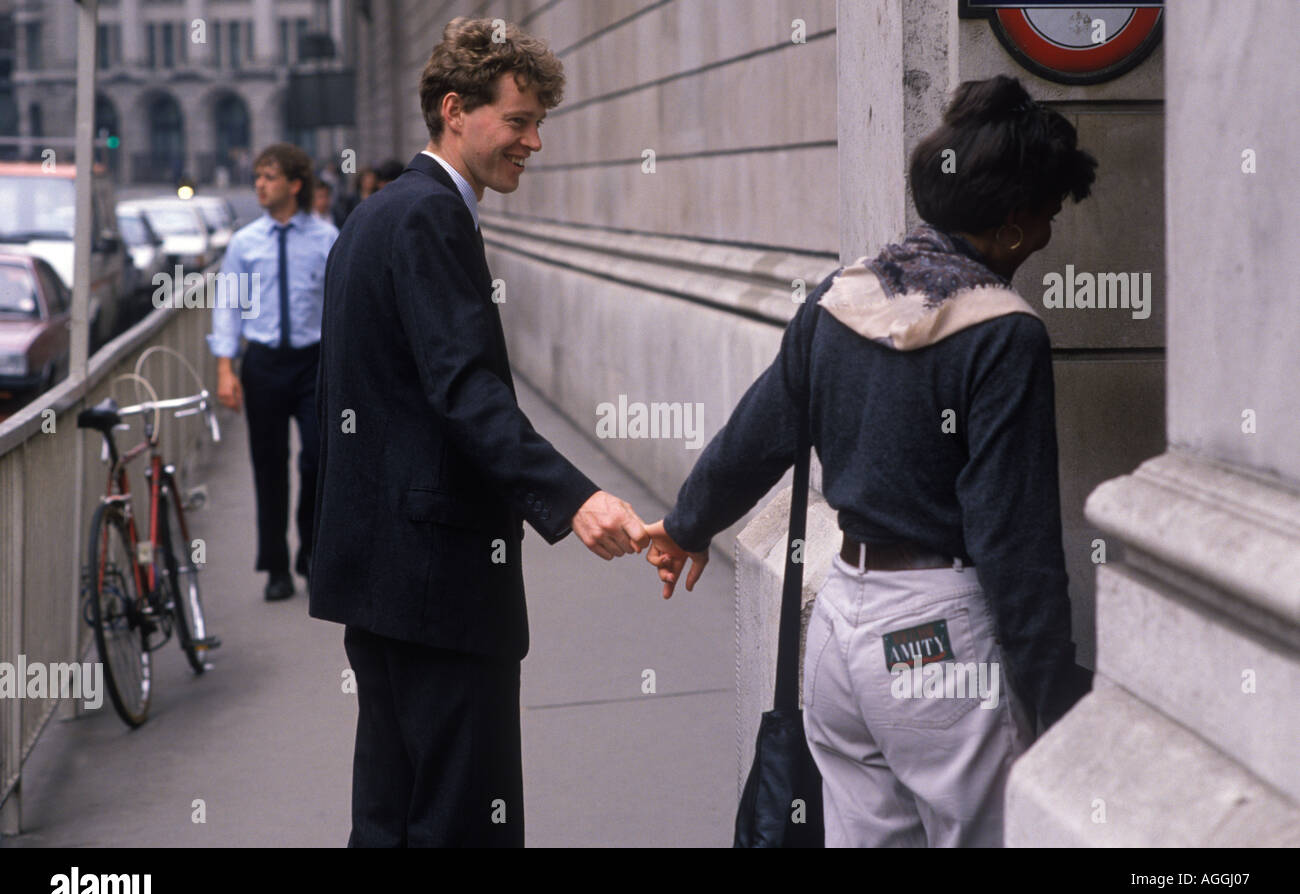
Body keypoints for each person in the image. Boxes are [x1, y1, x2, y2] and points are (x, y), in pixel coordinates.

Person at [646, 75, 1098, 847]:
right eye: (1050, 214)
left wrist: (686, 526)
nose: (1051, 233)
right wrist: (1059, 701)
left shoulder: (839, 295)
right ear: (1017, 221)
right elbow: (1012, 542)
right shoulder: (1004, 335)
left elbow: (756, 434)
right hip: (936, 643)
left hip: (840, 630)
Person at [310, 16, 650, 848]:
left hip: (380, 574)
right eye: (519, 119)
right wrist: (576, 498)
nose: (535, 142)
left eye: (539, 123)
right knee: (462, 819)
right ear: (455, 109)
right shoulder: (430, 217)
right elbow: (465, 391)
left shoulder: (376, 214)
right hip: (437, 581)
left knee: (390, 816)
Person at [209, 143, 339, 601]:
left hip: (313, 363)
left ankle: (311, 548)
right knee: (269, 466)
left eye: (269, 176)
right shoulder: (245, 243)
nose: (259, 184)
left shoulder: (326, 239)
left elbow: (341, 307)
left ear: (294, 184)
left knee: (318, 457)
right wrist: (226, 369)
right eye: (258, 177)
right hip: (262, 363)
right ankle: (276, 566)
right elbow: (228, 306)